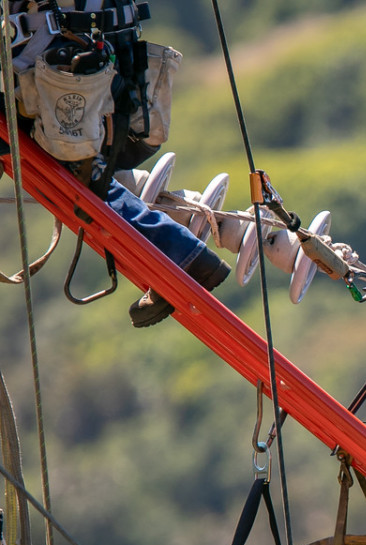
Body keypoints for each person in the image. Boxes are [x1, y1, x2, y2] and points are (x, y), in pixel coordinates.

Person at [4, 0, 228, 327]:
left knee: (77, 180)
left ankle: (179, 255)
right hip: (97, 48)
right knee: (83, 174)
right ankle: (179, 256)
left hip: (54, 58)